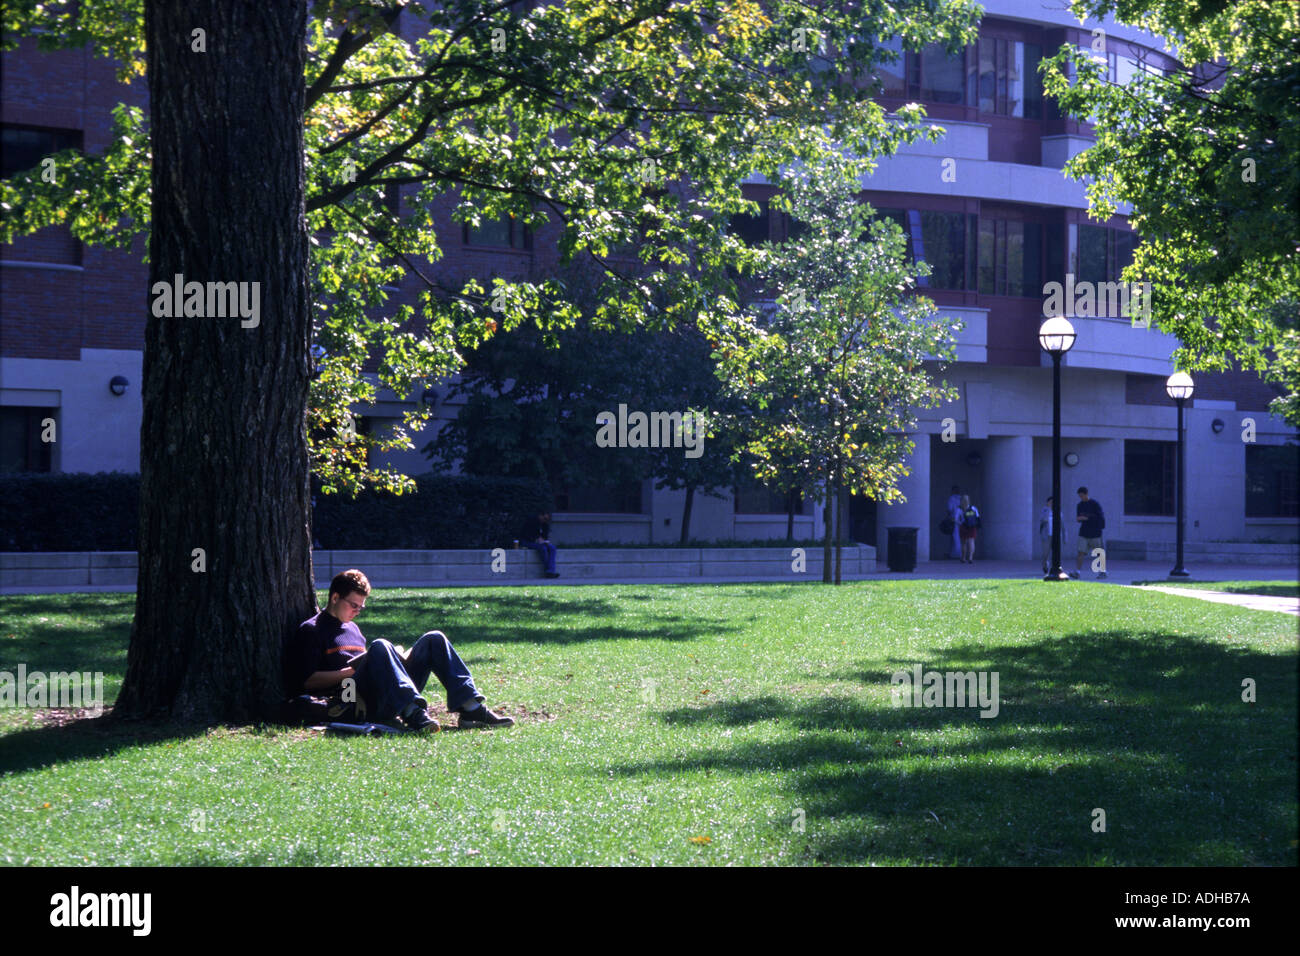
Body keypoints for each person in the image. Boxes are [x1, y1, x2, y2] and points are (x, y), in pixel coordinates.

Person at [283, 569, 515, 732]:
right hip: (348, 697)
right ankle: (413, 713)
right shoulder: (312, 630)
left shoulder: (354, 629)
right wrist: (348, 673)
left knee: (434, 638)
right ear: (335, 597)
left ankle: (470, 708)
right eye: (354, 605)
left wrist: (397, 660)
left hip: (381, 691)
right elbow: (307, 682)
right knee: (381, 645)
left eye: (361, 607)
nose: (357, 611)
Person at [1072, 486, 1107, 579]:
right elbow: (1078, 517)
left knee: (1099, 552)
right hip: (1084, 532)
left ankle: (1103, 571)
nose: (1081, 498)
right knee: (1080, 552)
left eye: (1082, 496)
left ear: (1086, 494)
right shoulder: (1079, 505)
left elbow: (1100, 518)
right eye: (1080, 496)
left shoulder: (1095, 504)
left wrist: (1087, 518)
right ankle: (1077, 572)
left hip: (1095, 532)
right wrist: (1080, 519)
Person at [521, 510, 560, 578]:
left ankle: (550, 571)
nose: (545, 520)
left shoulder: (545, 524)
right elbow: (526, 534)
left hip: (540, 543)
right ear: (540, 516)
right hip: (528, 541)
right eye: (544, 518)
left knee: (552, 548)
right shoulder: (531, 521)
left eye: (547, 519)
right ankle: (549, 571)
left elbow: (545, 536)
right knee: (543, 548)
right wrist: (536, 539)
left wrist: (544, 540)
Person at [959, 494, 981, 564]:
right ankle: (970, 557)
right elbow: (977, 517)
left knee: (963, 543)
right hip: (972, 526)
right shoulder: (973, 508)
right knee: (971, 542)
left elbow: (957, 519)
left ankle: (963, 558)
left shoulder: (959, 509)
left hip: (963, 526)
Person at [946, 486, 963, 559]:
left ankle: (957, 554)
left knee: (955, 537)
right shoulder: (962, 498)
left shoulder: (952, 498)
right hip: (962, 519)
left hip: (954, 519)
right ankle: (955, 553)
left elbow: (949, 509)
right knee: (962, 537)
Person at [1039, 495, 1054, 574]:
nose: (1052, 504)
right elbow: (1043, 519)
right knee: (1046, 553)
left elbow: (1062, 524)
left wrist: (1065, 535)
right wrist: (1048, 509)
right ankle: (1045, 566)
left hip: (1055, 535)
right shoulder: (1044, 510)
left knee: (1054, 554)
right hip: (1046, 535)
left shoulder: (1058, 511)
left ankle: (1052, 568)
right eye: (1050, 502)